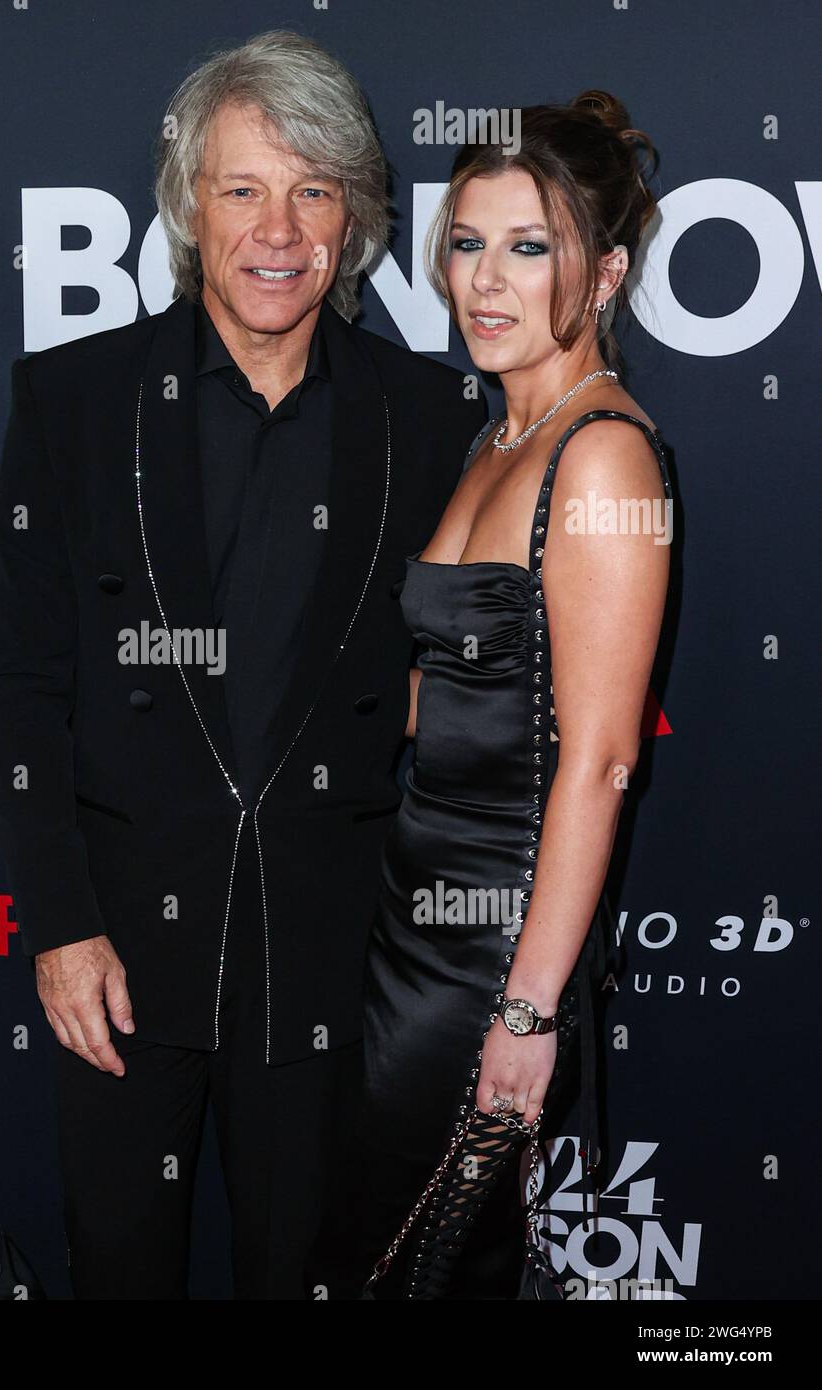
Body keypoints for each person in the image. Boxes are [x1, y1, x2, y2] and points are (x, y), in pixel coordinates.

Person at [0, 30, 486, 1299]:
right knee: (124, 1272)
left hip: (326, 947)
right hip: (122, 961)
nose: (278, 227)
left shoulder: (423, 419)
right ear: (187, 208)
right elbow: (28, 680)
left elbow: (462, 678)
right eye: (243, 188)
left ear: (355, 219)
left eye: (315, 190)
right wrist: (62, 925)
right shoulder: (75, 403)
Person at [308, 91, 673, 1299]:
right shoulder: (496, 433)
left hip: (489, 950)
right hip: (410, 917)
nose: (485, 282)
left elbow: (603, 758)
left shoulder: (603, 455)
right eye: (467, 244)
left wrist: (525, 1010)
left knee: (413, 1265)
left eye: (531, 249)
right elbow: (438, 699)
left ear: (607, 273)